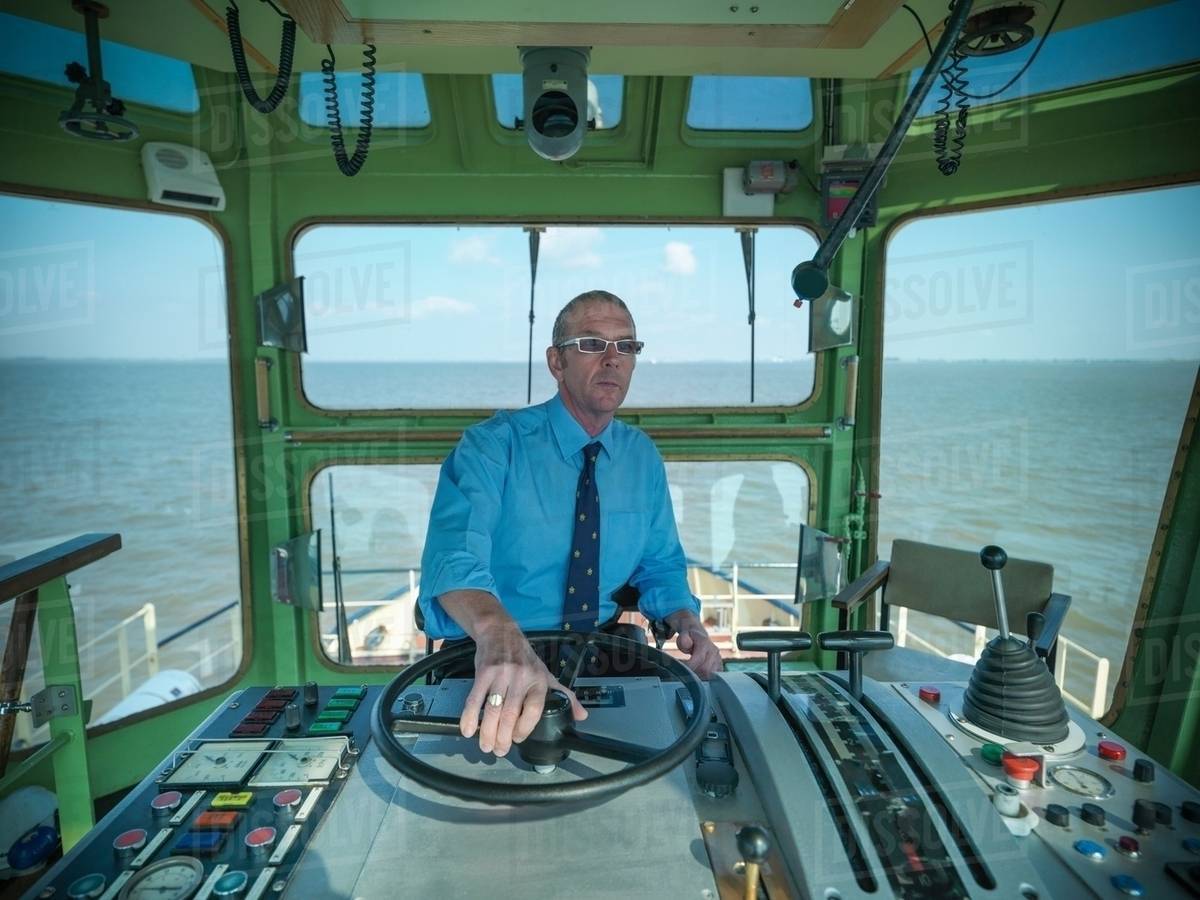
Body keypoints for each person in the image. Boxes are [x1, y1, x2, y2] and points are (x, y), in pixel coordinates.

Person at [417, 289, 722, 757]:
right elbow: (453, 560)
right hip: (495, 652)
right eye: (592, 344)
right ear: (556, 362)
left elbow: (658, 565)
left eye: (626, 346)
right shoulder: (492, 448)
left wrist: (687, 620)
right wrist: (498, 635)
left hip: (602, 652)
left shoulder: (641, 456)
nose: (612, 359)